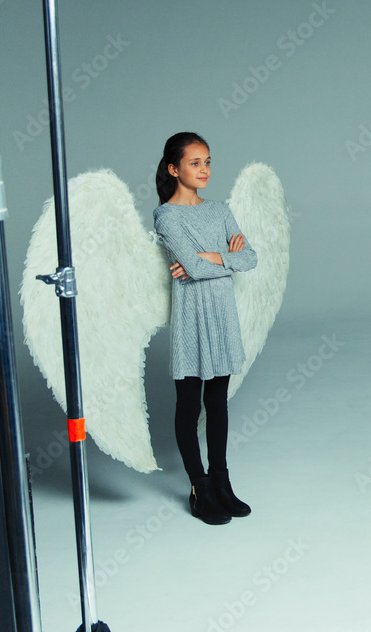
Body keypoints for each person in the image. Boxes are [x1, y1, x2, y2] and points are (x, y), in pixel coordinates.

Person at [153, 132, 258, 525]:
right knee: (189, 404)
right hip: (191, 318)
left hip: (222, 315)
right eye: (195, 162)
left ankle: (221, 481)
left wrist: (211, 257)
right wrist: (225, 258)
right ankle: (200, 487)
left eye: (208, 162)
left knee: (217, 403)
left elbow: (251, 258)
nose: (204, 170)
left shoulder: (219, 210)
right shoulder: (166, 215)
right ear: (173, 168)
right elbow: (195, 270)